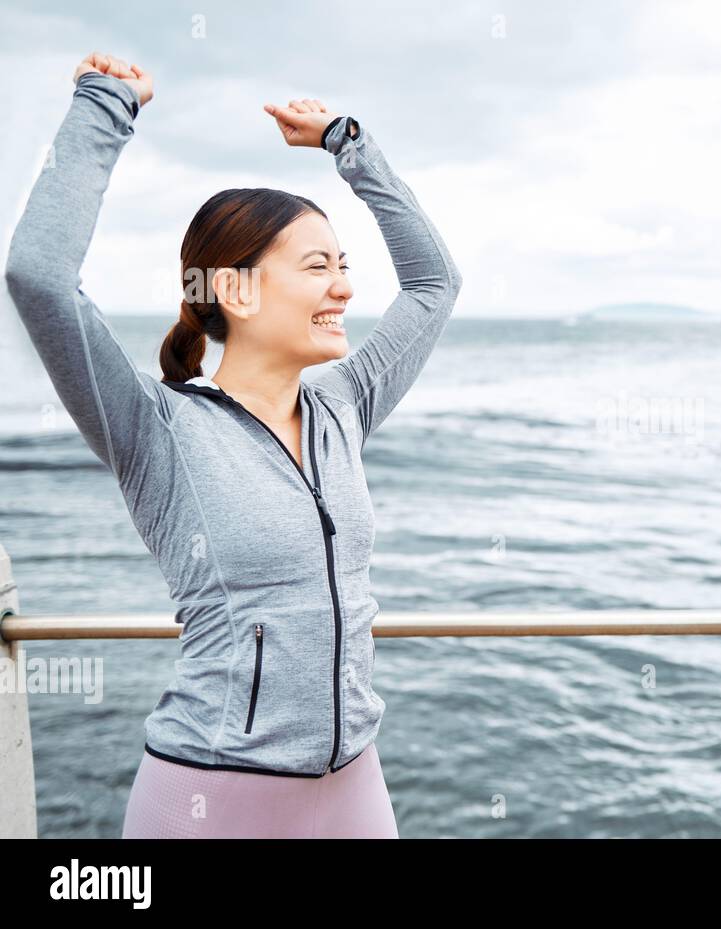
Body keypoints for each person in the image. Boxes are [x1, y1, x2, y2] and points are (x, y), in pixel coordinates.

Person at [5, 52, 463, 837]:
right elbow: (40, 274)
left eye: (343, 267)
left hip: (356, 784)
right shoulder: (158, 427)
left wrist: (349, 143)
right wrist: (107, 103)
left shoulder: (342, 403)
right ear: (235, 289)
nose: (345, 288)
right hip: (213, 799)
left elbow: (434, 285)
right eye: (318, 267)